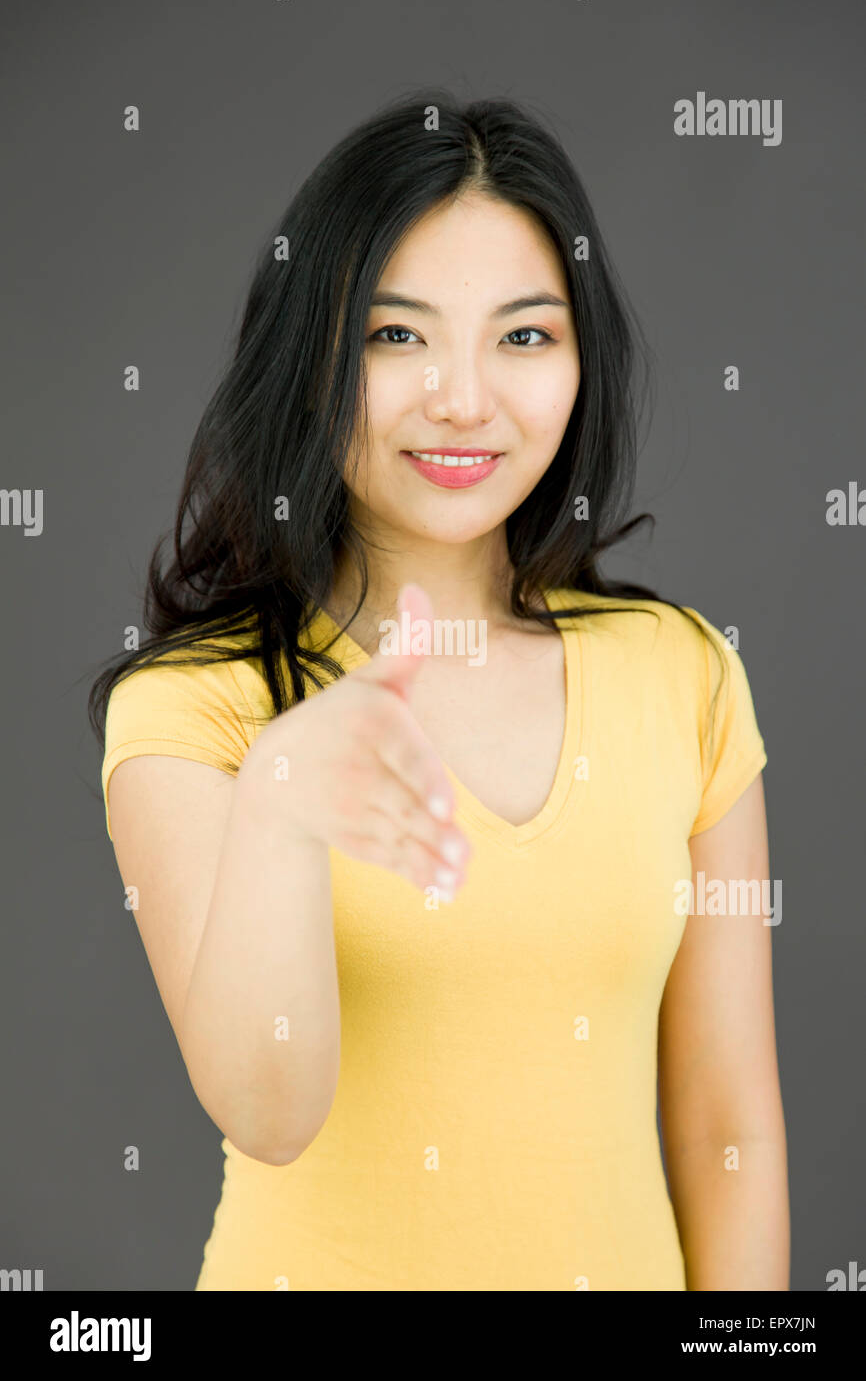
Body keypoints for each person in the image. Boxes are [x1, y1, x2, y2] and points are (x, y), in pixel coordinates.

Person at [89, 91, 789, 1291]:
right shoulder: (194, 706)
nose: (463, 398)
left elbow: (726, 1123)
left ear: (581, 361)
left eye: (523, 336)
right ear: (310, 359)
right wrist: (282, 796)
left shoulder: (682, 672)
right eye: (394, 335)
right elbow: (268, 1108)